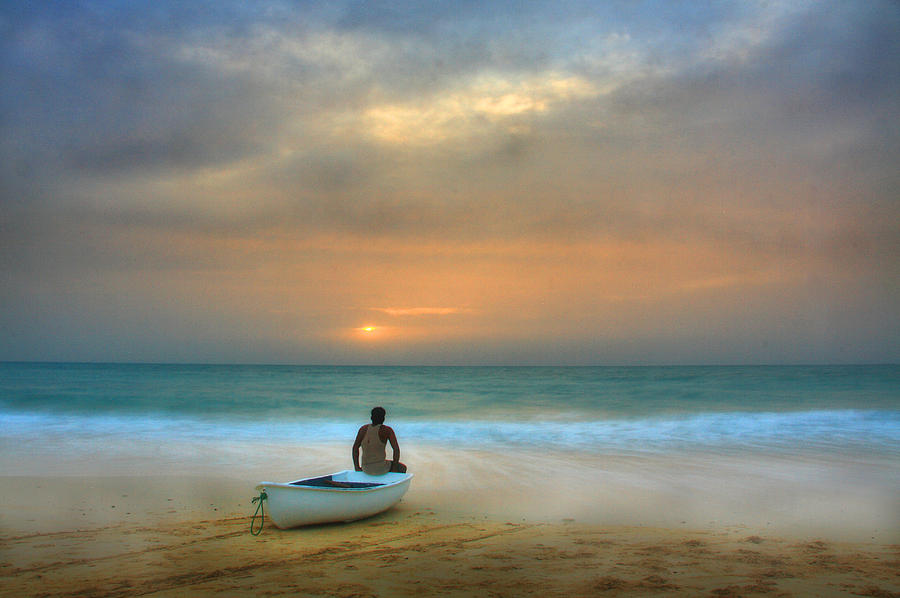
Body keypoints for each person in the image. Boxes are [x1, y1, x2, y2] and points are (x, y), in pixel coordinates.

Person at [352, 406, 407, 475]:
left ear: (371, 417)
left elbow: (355, 448)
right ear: (383, 418)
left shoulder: (363, 429)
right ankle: (391, 479)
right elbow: (396, 450)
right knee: (403, 468)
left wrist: (357, 467)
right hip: (380, 468)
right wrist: (394, 468)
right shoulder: (387, 430)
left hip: (365, 468)